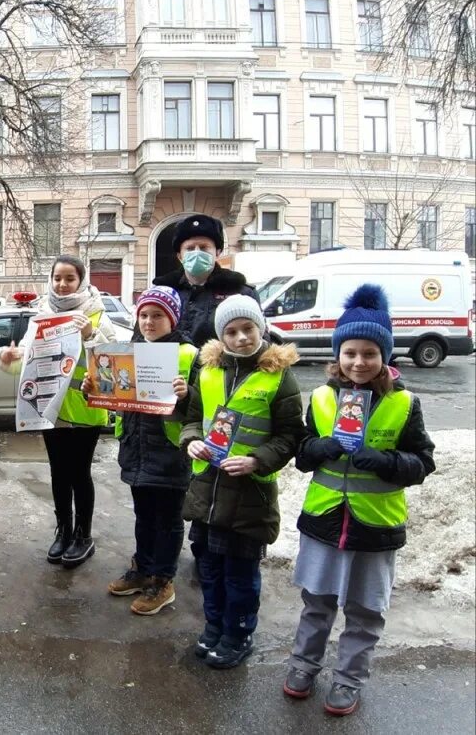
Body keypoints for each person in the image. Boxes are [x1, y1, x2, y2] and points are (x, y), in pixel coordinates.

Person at [283, 284, 435, 716]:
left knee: (366, 611)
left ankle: (349, 679)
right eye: (350, 352)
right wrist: (321, 448)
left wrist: (385, 461)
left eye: (370, 353)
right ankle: (303, 665)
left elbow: (423, 462)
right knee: (317, 603)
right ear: (338, 355)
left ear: (384, 356)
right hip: (324, 521)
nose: (359, 362)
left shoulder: (405, 403)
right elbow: (301, 454)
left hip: (376, 527)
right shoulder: (321, 397)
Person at [181, 294, 304, 668]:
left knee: (240, 573)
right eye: (231, 331)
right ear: (222, 335)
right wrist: (192, 442)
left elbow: (290, 436)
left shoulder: (279, 376)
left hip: (250, 494)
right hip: (208, 490)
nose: (241, 338)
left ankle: (239, 632)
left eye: (248, 328)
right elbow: (192, 417)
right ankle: (214, 625)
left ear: (260, 327)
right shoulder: (208, 370)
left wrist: (256, 461)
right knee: (209, 568)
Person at [83, 286, 199, 615]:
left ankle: (163, 581)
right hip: (136, 449)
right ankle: (142, 569)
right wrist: (91, 390)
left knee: (169, 519)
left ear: (172, 318)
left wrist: (187, 393)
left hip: (170, 451)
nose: (149, 321)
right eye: (144, 315)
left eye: (157, 315)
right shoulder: (128, 351)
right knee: (144, 516)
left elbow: (207, 405)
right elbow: (111, 400)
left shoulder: (189, 354)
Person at [0, 255, 117, 568]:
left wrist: (91, 333)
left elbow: (113, 365)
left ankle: (84, 536)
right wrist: (10, 358)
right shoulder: (42, 316)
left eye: (70, 278)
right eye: (58, 278)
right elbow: (27, 362)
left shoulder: (97, 313)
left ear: (81, 281)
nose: (63, 284)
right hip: (51, 409)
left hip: (87, 410)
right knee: (59, 473)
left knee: (80, 474)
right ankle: (63, 530)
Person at [152, 214, 259, 347]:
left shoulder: (239, 292)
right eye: (190, 248)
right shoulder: (162, 292)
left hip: (217, 367)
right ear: (180, 256)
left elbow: (257, 341)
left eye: (204, 247)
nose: (197, 253)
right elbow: (141, 338)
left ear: (217, 252)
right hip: (170, 367)